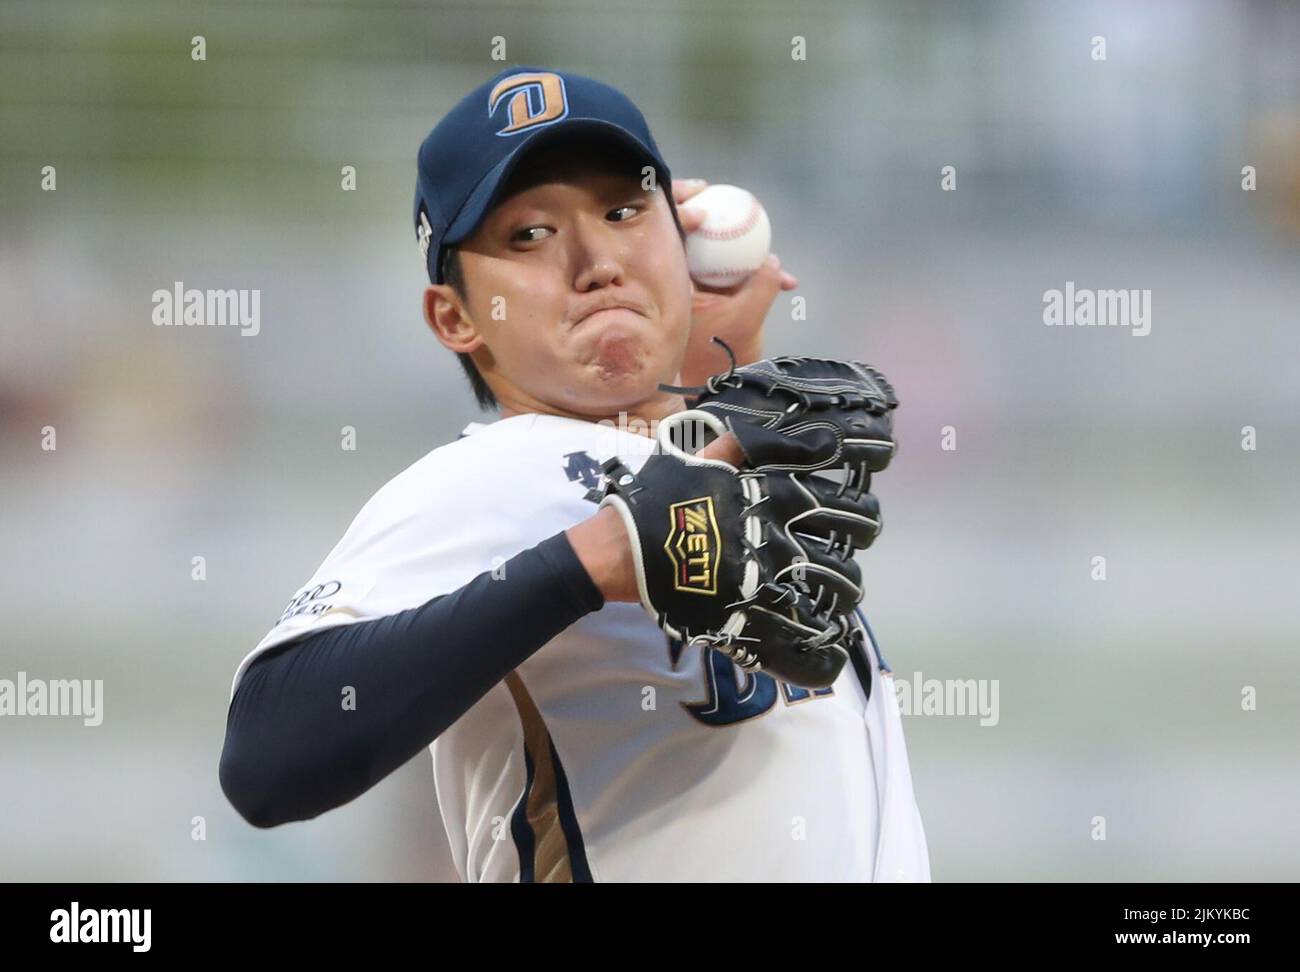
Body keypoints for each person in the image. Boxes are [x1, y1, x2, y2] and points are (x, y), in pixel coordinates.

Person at [219, 65, 930, 882]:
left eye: (625, 211)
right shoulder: (498, 475)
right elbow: (266, 757)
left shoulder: (694, 468)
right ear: (455, 317)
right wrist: (589, 564)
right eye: (529, 235)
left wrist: (708, 366)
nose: (597, 260)